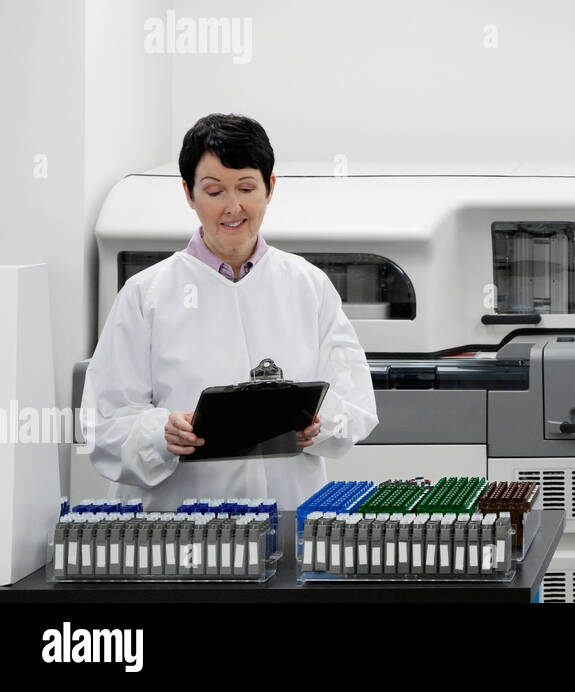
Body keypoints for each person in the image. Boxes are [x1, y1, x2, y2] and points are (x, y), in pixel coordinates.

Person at [82, 114, 378, 510]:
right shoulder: (145, 295)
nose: (233, 206)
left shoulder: (309, 286)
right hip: (178, 527)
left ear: (270, 188)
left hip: (287, 515)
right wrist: (159, 436)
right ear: (189, 194)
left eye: (246, 187)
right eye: (214, 190)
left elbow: (354, 400)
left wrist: (319, 427)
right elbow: (105, 423)